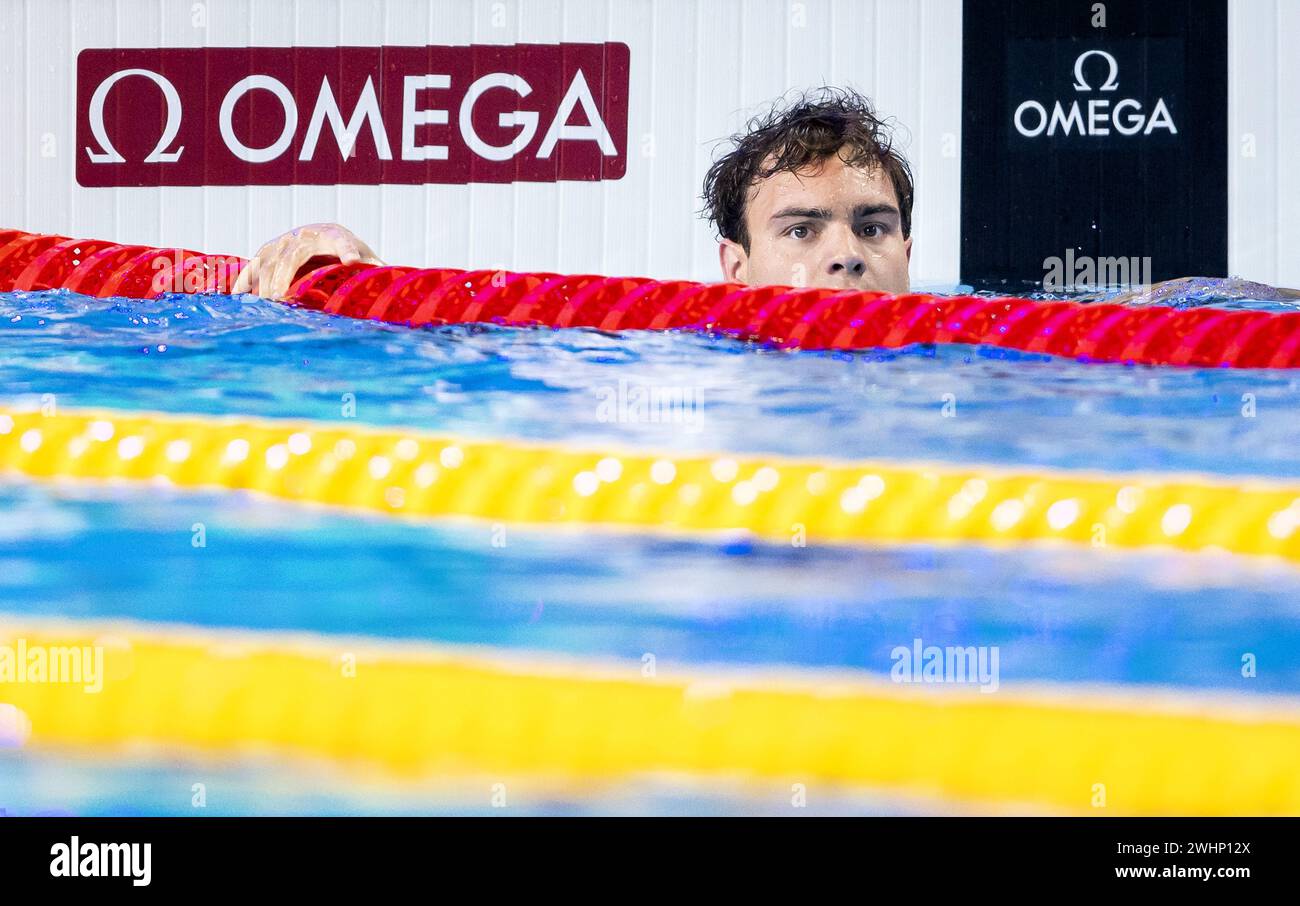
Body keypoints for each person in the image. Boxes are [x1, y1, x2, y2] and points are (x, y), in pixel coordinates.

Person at [233, 87, 1295, 305]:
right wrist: (344, 263)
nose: (844, 253)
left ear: (908, 247)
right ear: (733, 264)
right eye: (802, 229)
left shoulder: (972, 327)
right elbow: (480, 330)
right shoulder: (687, 343)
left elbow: (1179, 310)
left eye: (871, 226)